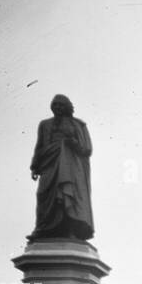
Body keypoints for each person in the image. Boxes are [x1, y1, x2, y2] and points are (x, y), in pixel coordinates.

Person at [29, 94, 94, 241]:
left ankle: (70, 230)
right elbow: (40, 146)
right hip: (49, 163)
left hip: (71, 166)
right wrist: (35, 166)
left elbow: (87, 149)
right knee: (44, 194)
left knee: (67, 197)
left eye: (61, 105)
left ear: (67, 107)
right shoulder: (45, 125)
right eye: (55, 105)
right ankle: (43, 229)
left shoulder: (78, 125)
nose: (57, 107)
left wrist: (73, 143)